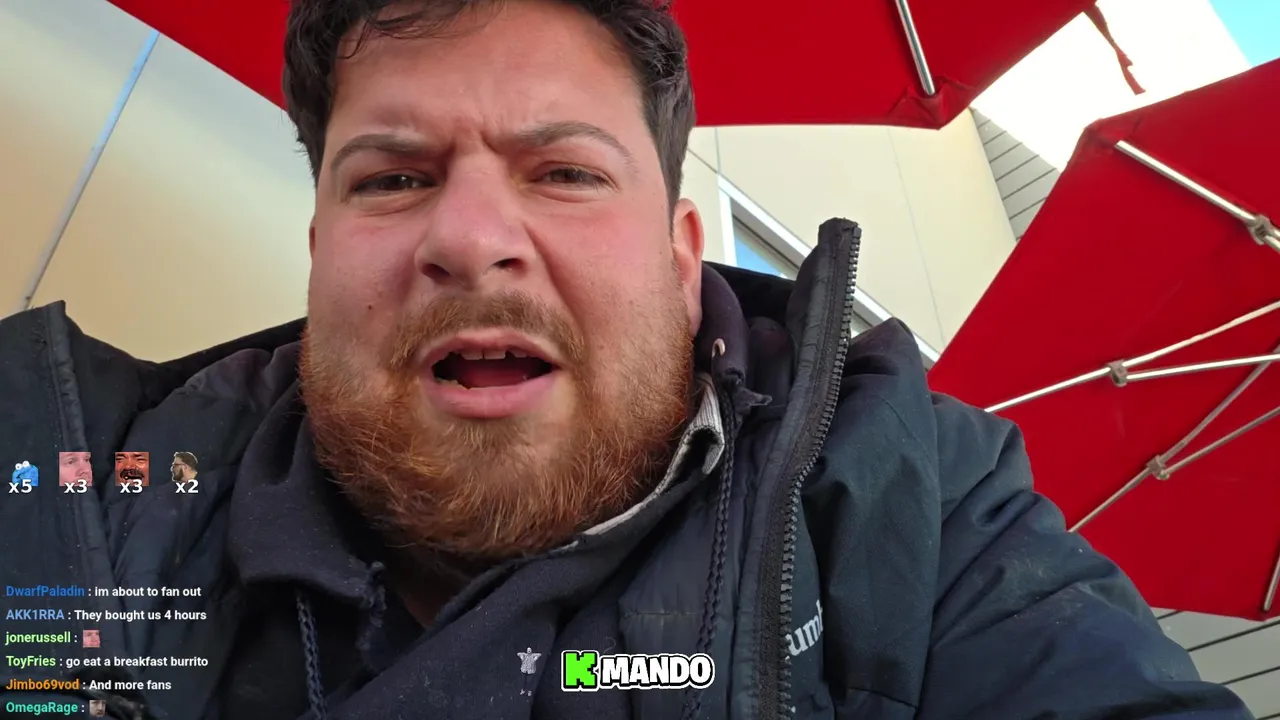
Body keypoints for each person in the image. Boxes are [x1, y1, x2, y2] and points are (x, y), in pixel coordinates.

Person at [0, 0, 1252, 719]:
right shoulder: (81, 500)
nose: (470, 238)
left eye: (562, 172)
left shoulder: (913, 502)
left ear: (679, 254)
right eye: (391, 179)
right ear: (322, 249)